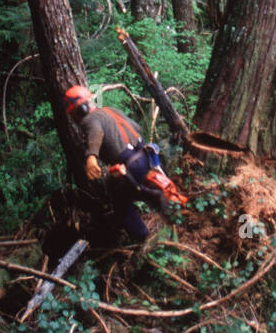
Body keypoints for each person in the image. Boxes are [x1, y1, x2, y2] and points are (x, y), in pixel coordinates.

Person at [63, 86, 186, 243]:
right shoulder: (111, 110)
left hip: (132, 165)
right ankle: (178, 214)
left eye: (73, 112)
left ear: (79, 109)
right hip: (147, 155)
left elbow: (96, 132)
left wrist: (91, 156)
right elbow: (136, 127)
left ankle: (143, 239)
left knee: (121, 204)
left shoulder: (89, 120)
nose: (73, 117)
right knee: (151, 189)